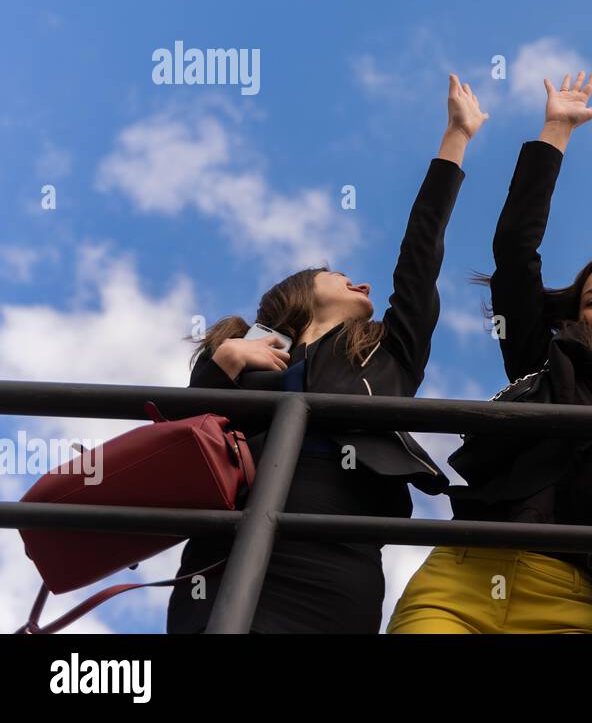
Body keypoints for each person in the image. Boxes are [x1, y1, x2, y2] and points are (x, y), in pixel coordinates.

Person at [166, 74, 487, 633]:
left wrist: (455, 138)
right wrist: (227, 362)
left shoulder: (390, 352)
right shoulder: (245, 351)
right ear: (302, 290)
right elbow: (182, 433)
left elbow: (420, 252)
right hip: (229, 540)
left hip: (338, 540)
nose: (362, 285)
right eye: (342, 276)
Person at [388, 72, 592, 634]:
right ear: (579, 319)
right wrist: (556, 131)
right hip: (462, 574)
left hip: (571, 599)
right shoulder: (545, 365)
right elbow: (514, 251)